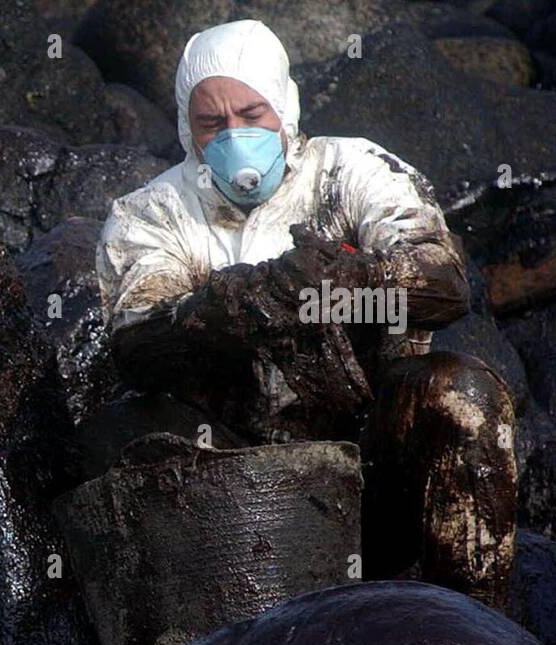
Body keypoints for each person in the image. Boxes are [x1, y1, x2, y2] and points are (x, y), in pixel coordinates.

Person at [96, 19, 516, 608]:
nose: (233, 134)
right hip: (233, 458)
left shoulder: (353, 169)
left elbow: (446, 284)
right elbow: (137, 343)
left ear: (285, 109)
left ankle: (478, 626)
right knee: (119, 431)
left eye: (251, 113)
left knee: (458, 393)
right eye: (212, 123)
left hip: (373, 434)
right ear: (187, 128)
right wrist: (239, 307)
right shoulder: (151, 213)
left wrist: (349, 285)